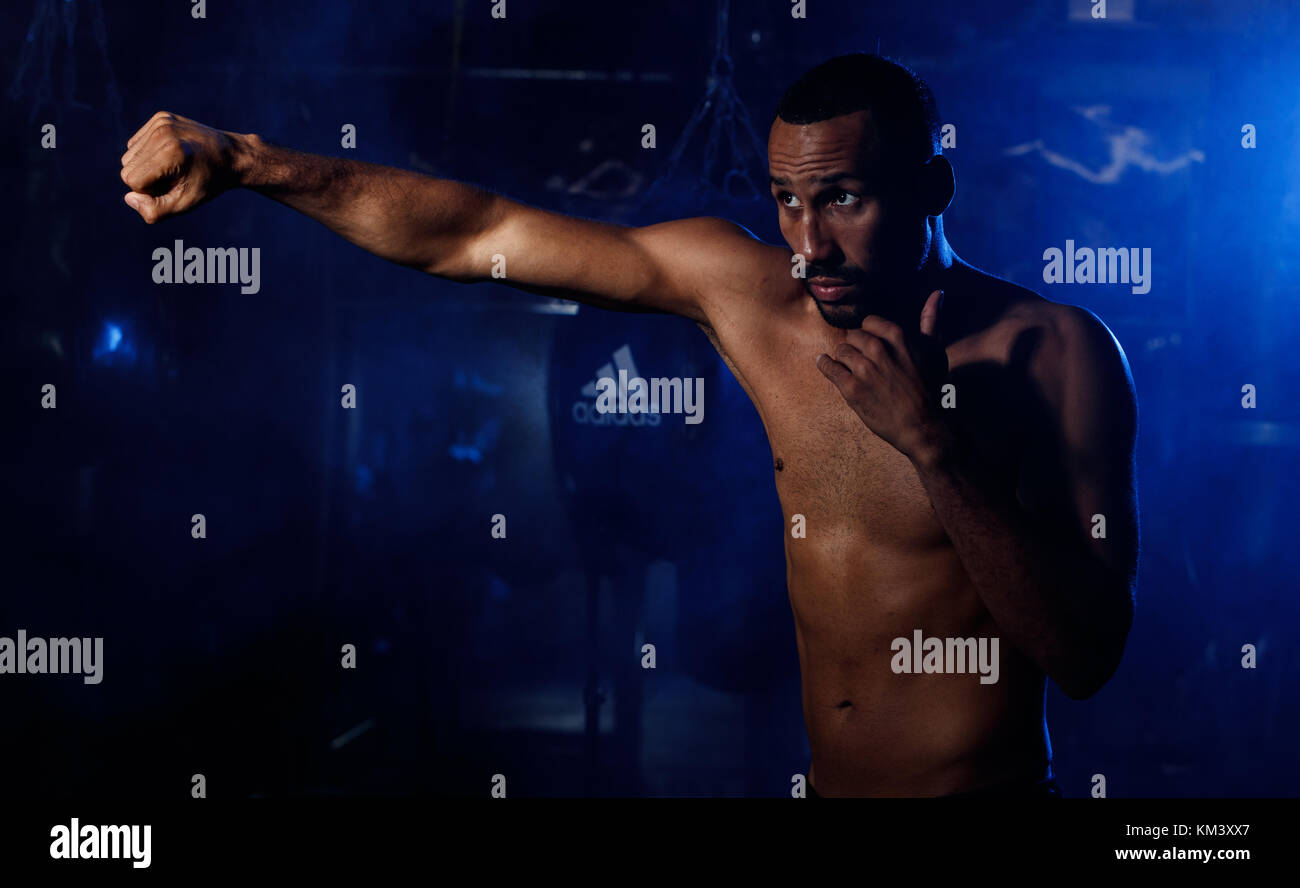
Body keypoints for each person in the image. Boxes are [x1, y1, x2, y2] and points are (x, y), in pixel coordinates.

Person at [119, 53, 1138, 798]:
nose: (808, 242)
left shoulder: (1059, 353)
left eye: (844, 199)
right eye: (786, 200)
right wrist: (250, 161)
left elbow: (1088, 656)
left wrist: (936, 450)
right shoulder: (755, 298)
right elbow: (479, 234)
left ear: (932, 186)